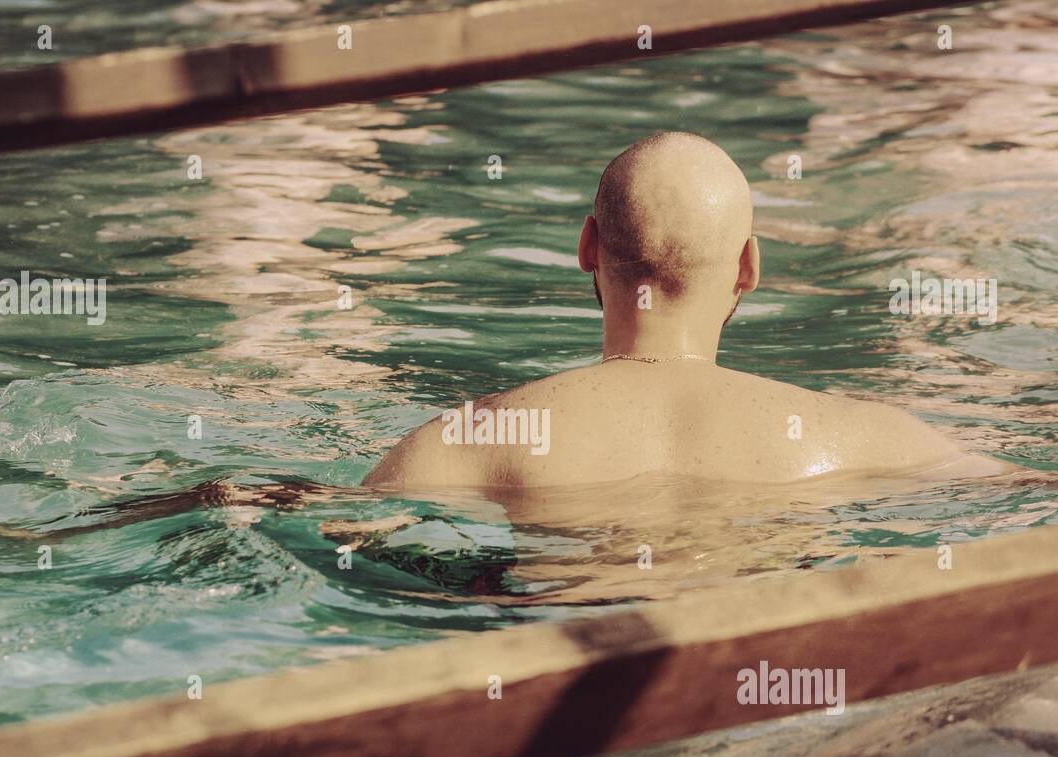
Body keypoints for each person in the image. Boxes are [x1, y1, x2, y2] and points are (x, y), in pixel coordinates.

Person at [365, 131, 1013, 489]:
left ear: (588, 246)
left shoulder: (470, 443)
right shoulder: (861, 437)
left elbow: (328, 536)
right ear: (748, 267)